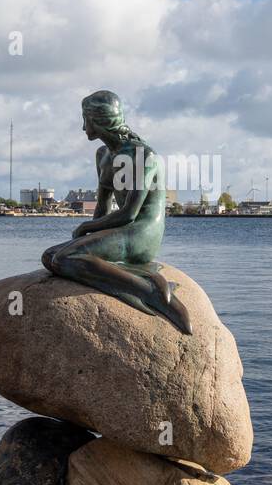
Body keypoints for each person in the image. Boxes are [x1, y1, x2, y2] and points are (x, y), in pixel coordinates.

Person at [41, 91, 192, 334]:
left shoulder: (142, 156)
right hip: (120, 230)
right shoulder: (103, 155)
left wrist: (85, 229)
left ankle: (151, 291)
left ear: (99, 120)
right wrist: (85, 237)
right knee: (49, 256)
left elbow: (130, 214)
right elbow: (102, 207)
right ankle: (136, 275)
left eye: (85, 119)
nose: (82, 127)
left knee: (64, 259)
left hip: (141, 232)